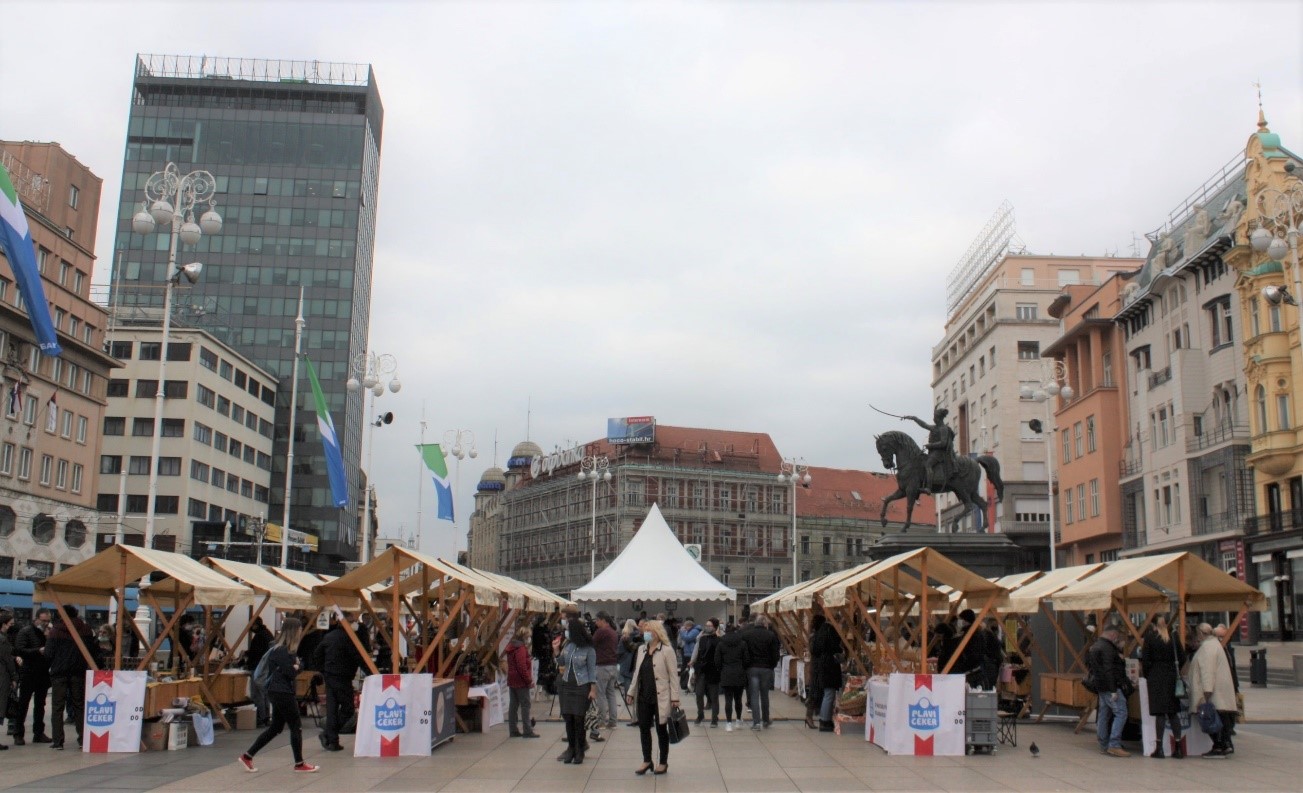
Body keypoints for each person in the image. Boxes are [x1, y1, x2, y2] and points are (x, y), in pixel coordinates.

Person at [238, 617, 318, 774]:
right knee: (296, 726)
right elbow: (291, 672)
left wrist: (296, 666)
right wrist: (296, 666)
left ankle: (248, 756)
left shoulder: (285, 650)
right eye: (299, 629)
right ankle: (299, 763)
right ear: (293, 631)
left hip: (278, 691)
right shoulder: (281, 651)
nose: (301, 631)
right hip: (282, 692)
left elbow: (298, 667)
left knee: (276, 727)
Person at [627, 620, 681, 776]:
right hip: (644, 695)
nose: (645, 634)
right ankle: (647, 760)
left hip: (661, 697)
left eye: (649, 631)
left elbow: (674, 676)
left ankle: (663, 762)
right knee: (644, 728)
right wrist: (631, 692)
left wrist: (675, 697)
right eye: (644, 631)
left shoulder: (667, 650)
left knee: (661, 729)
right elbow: (637, 673)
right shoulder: (641, 650)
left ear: (657, 633)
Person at [45, 605, 94, 750]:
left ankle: (58, 741)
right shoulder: (85, 629)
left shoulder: (55, 631)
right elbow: (92, 650)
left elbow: (48, 654)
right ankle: (83, 739)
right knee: (79, 705)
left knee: (57, 707)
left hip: (59, 673)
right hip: (78, 673)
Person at [315, 613, 365, 752]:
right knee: (348, 709)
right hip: (343, 676)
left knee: (332, 709)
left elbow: (317, 654)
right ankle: (329, 735)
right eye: (352, 620)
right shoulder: (349, 638)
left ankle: (333, 740)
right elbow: (358, 657)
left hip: (330, 676)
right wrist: (371, 673)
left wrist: (324, 670)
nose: (355, 623)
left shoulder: (329, 636)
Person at [1140, 613, 1186, 759]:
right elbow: (1182, 657)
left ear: (1153, 624)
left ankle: (1159, 748)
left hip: (1156, 677)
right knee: (1173, 713)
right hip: (1171, 677)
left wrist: (1148, 675)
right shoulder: (1173, 636)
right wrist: (1174, 669)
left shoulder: (1150, 637)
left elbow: (1145, 659)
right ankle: (1178, 748)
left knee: (1159, 713)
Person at [1188, 623, 1236, 757]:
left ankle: (1219, 745)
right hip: (1220, 691)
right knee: (1221, 718)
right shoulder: (1214, 644)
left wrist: (1207, 691)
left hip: (1214, 692)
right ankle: (1225, 744)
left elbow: (1207, 671)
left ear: (1200, 634)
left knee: (1214, 719)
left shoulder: (1207, 647)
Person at [555, 613, 597, 765]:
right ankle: (571, 748)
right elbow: (561, 662)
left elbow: (592, 670)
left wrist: (593, 689)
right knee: (568, 718)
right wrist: (556, 650)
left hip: (581, 686)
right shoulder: (568, 645)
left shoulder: (589, 649)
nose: (566, 632)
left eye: (568, 629)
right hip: (567, 685)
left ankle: (580, 749)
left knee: (579, 719)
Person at [1086, 626, 1131, 757]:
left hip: (1100, 686)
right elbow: (1109, 669)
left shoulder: (1095, 646)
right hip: (1111, 686)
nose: (1117, 639)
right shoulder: (1108, 648)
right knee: (1121, 713)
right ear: (1113, 634)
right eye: (1117, 636)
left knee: (1103, 715)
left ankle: (1103, 744)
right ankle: (1114, 745)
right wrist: (1113, 690)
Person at [13, 608, 51, 745]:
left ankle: (38, 733)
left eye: (48, 621)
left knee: (40, 704)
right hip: (28, 672)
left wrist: (48, 639)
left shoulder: (47, 633)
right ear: (36, 619)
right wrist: (37, 651)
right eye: (43, 620)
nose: (46, 623)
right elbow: (19, 650)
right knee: (23, 704)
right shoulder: (25, 632)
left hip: (43, 673)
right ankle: (18, 733)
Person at [904, 407, 957, 494]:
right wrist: (914, 418)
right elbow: (924, 424)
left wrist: (930, 445)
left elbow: (943, 443)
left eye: (935, 417)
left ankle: (928, 487)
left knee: (928, 464)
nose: (933, 419)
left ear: (939, 418)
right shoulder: (934, 427)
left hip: (940, 453)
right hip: (933, 452)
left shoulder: (943, 429)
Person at [742, 615, 782, 730]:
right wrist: (772, 665)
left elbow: (744, 652)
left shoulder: (747, 635)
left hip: (752, 668)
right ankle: (765, 719)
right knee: (765, 695)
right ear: (765, 624)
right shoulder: (771, 635)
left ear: (755, 623)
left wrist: (746, 665)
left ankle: (756, 723)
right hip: (766, 668)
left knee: (754, 696)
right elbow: (775, 653)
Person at [715, 621, 751, 731]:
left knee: (728, 700)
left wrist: (721, 670)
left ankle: (728, 723)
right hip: (739, 673)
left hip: (726, 673)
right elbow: (746, 659)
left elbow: (717, 660)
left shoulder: (721, 643)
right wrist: (743, 668)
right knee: (738, 699)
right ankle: (738, 720)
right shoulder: (742, 643)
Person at [810, 613, 843, 733]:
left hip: (822, 664)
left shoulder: (819, 632)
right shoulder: (830, 630)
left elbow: (815, 649)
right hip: (830, 666)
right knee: (829, 693)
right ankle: (825, 721)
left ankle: (825, 719)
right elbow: (836, 646)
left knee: (827, 693)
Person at [506, 626, 539, 738]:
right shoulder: (520, 649)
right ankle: (527, 730)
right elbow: (522, 667)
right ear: (524, 637)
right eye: (528, 636)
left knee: (513, 705)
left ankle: (513, 729)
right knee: (525, 705)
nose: (529, 639)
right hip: (521, 681)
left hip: (512, 679)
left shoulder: (512, 647)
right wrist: (528, 680)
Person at [591, 612, 620, 734]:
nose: (596, 623)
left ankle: (601, 721)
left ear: (602, 620)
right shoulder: (613, 632)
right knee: (611, 694)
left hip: (602, 665)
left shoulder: (601, 631)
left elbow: (592, 643)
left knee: (601, 694)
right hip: (613, 665)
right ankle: (613, 721)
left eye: (597, 620)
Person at [690, 618, 721, 726]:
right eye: (706, 625)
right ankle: (700, 714)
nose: (707, 627)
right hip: (701, 671)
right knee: (699, 694)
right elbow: (698, 653)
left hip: (713, 671)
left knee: (714, 696)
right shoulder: (702, 639)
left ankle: (714, 718)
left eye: (709, 626)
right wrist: (694, 664)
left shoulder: (718, 640)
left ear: (715, 627)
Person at [246, 616, 274, 728]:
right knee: (264, 693)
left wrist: (246, 657)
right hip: (266, 668)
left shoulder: (259, 636)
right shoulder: (268, 634)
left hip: (258, 668)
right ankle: (266, 717)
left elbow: (255, 653)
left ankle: (261, 717)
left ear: (255, 625)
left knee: (257, 694)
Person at [0, 609, 17, 750]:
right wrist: (14, 677)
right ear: (3, 624)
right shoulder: (3, 640)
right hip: (2, 677)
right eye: (9, 624)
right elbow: (8, 661)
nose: (11, 626)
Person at [677, 619, 700, 691]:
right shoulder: (689, 631)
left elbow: (687, 638)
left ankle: (694, 685)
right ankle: (687, 684)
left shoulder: (695, 631)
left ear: (690, 626)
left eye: (686, 627)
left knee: (692, 670)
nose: (685, 628)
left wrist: (682, 632)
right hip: (687, 653)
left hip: (691, 653)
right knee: (687, 670)